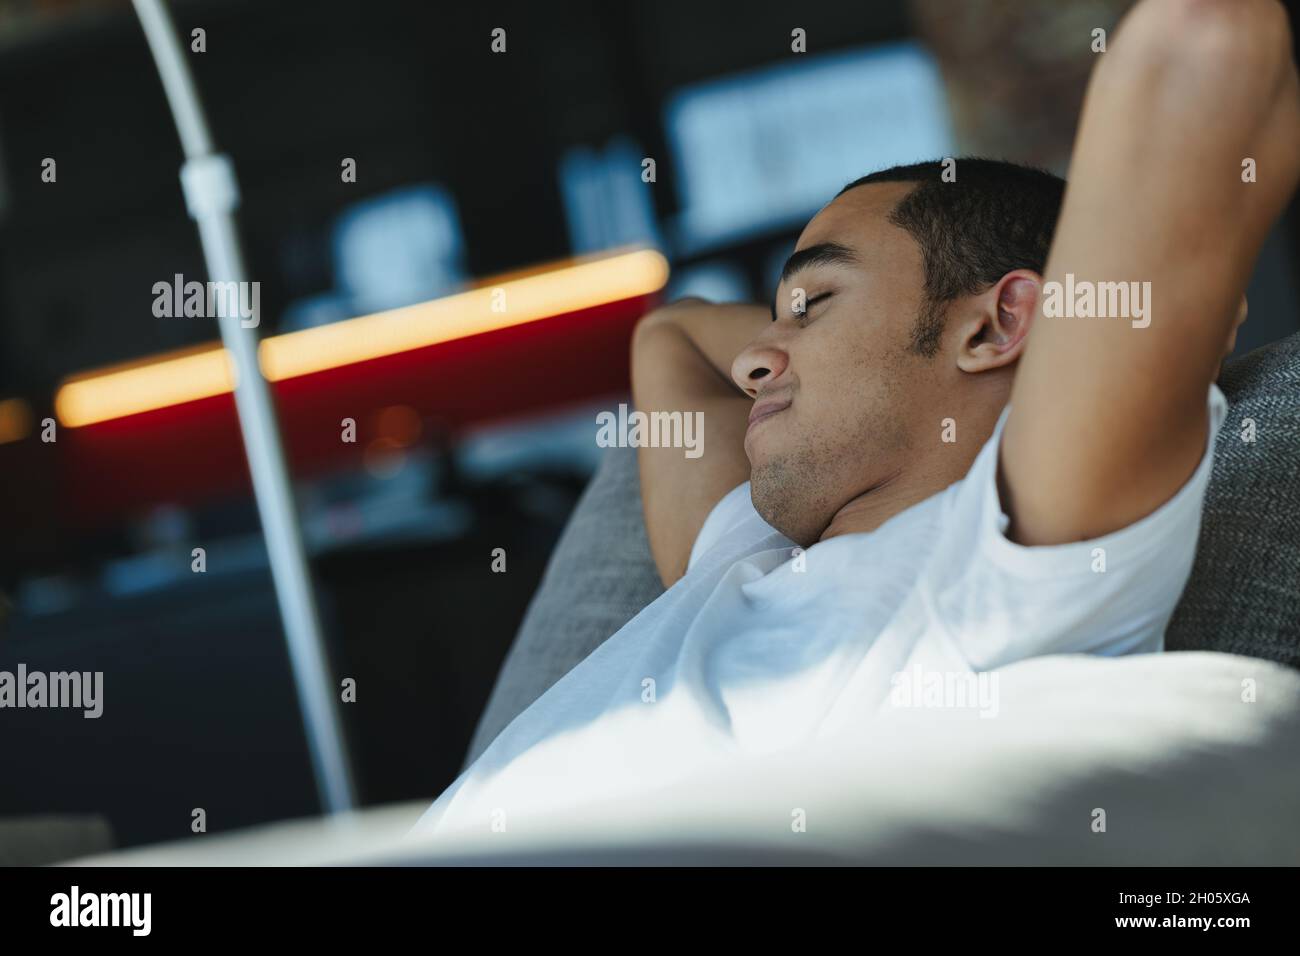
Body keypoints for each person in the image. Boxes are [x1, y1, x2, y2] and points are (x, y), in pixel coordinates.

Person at [414, 0, 1300, 836]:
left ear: (995, 324)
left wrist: (1114, 326)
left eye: (813, 302)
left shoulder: (1002, 565)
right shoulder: (741, 556)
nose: (755, 357)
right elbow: (671, 335)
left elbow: (1207, 40)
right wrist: (799, 329)